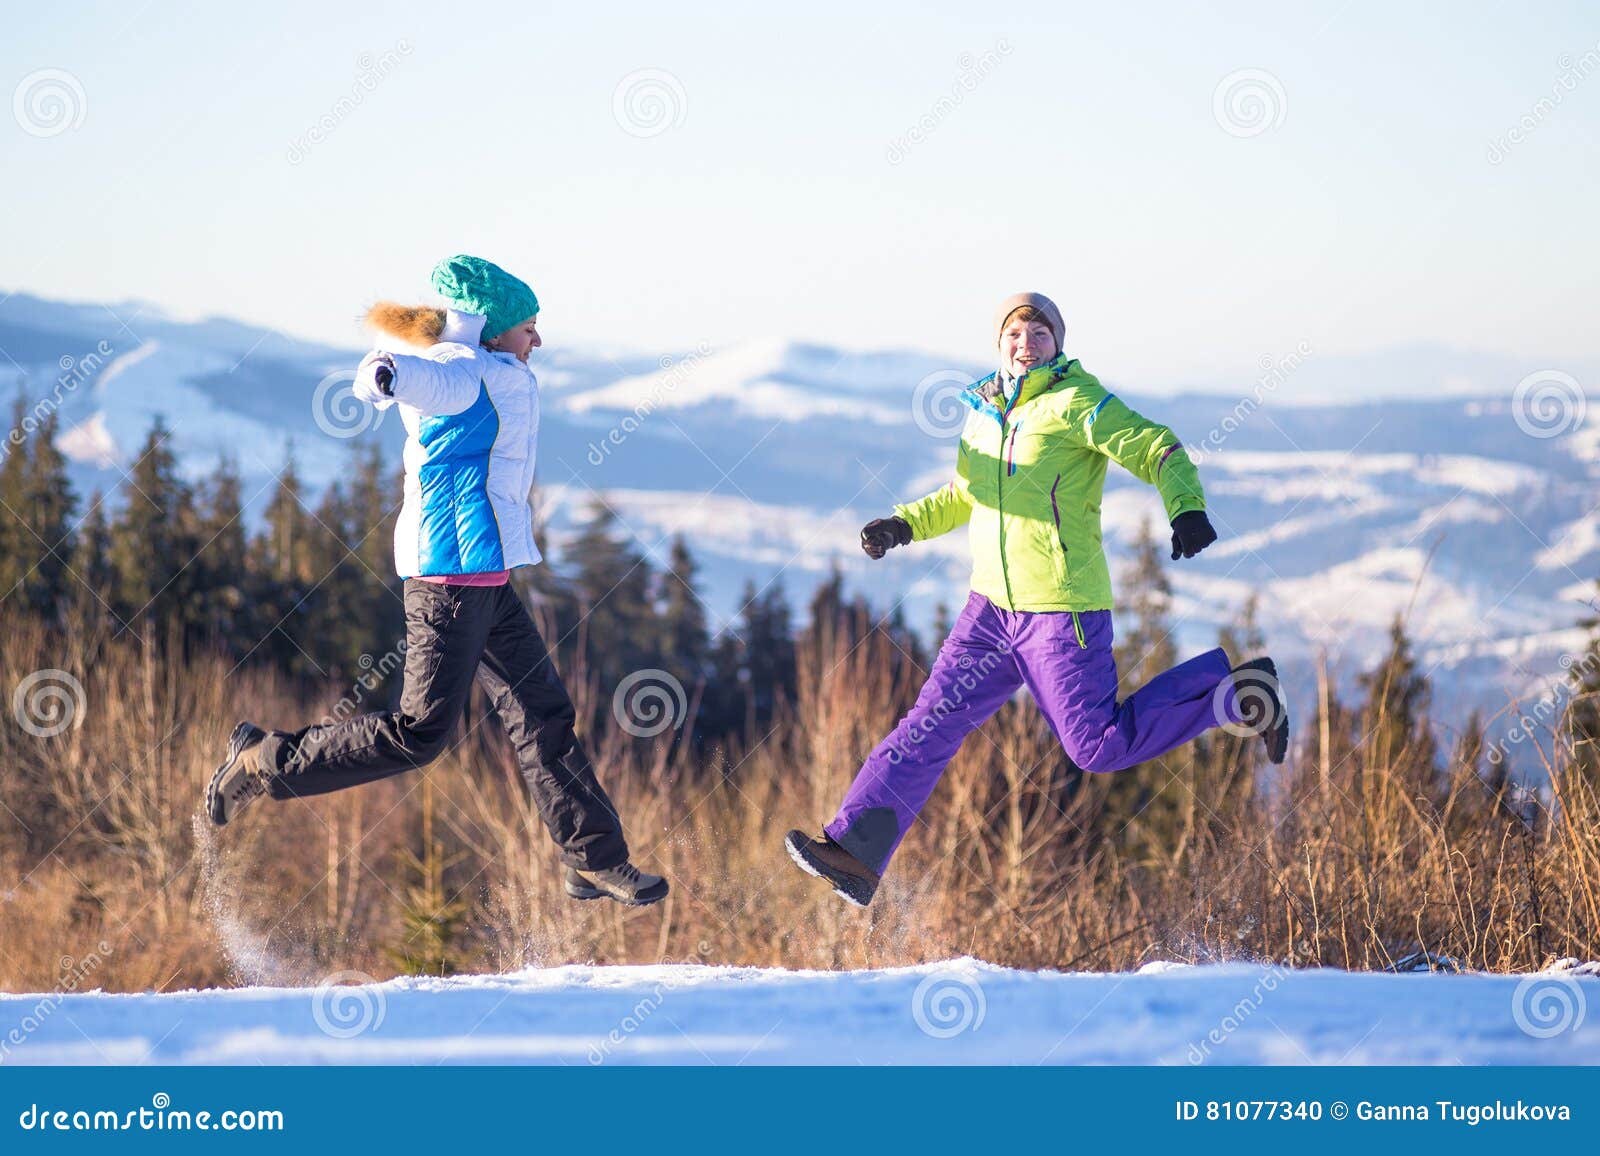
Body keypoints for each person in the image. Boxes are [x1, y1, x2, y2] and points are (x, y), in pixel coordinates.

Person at [786, 292, 1287, 907]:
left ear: (1058, 344)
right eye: (1015, 333)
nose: (1026, 343)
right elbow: (964, 495)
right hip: (990, 613)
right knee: (929, 725)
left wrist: (1185, 507)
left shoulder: (1076, 402)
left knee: (1097, 746)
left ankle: (1240, 693)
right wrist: (903, 524)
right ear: (999, 344)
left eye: (1040, 332)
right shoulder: (983, 412)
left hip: (1060, 611)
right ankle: (856, 853)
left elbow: (1157, 446)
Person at [205, 254, 668, 907]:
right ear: (495, 327)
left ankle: (594, 860)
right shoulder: (460, 370)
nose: (537, 339)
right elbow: (412, 376)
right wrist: (386, 376)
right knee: (419, 733)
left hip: (486, 579)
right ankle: (265, 762)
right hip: (449, 581)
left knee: (542, 716)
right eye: (529, 326)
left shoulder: (489, 367)